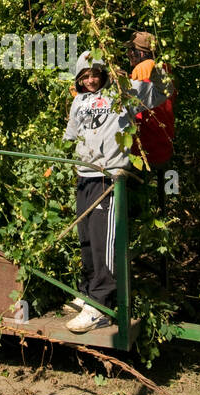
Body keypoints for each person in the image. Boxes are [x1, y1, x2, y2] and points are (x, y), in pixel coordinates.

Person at [62, 51, 170, 333]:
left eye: (95, 74)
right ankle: (88, 293)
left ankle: (101, 304)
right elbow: (71, 136)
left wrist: (154, 65)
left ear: (105, 72)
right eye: (84, 76)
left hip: (107, 178)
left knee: (103, 242)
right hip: (83, 176)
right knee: (85, 238)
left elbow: (164, 91)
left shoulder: (122, 92)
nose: (90, 80)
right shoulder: (78, 101)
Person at [127, 32, 175, 210]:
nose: (129, 55)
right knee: (166, 194)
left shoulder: (144, 75)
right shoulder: (165, 71)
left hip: (145, 150)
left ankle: (149, 226)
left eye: (132, 50)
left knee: (138, 203)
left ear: (143, 53)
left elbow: (130, 106)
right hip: (165, 145)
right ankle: (168, 217)